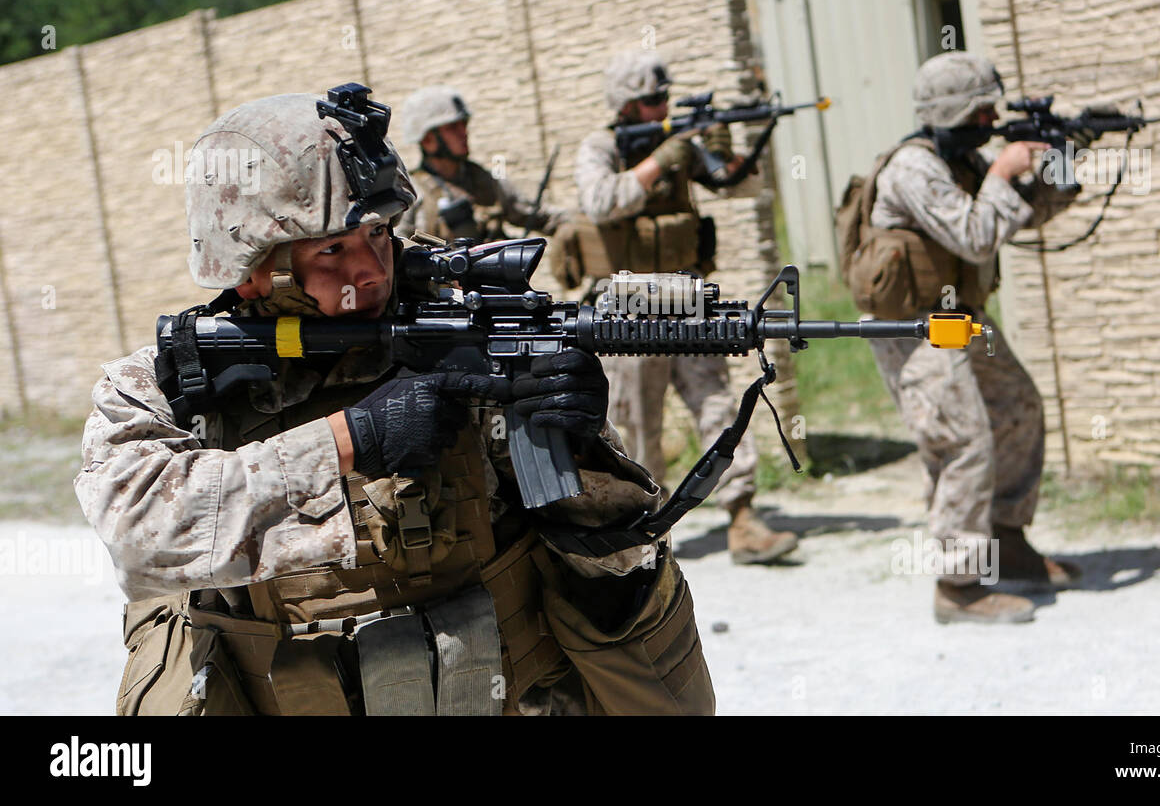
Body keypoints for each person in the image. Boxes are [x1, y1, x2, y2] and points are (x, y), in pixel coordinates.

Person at [74, 91, 714, 715]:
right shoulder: (167, 382)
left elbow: (609, 566)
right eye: (332, 249)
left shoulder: (460, 326)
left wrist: (577, 442)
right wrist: (351, 438)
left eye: (378, 234)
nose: (372, 268)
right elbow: (138, 535)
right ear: (249, 266)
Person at [839, 51, 1085, 624]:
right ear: (953, 113)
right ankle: (959, 587)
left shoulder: (964, 160)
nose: (991, 120)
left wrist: (1061, 166)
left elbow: (1014, 219)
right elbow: (976, 237)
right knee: (962, 438)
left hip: (958, 316)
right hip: (910, 325)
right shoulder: (914, 168)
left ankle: (1008, 540)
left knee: (1017, 407)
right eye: (982, 111)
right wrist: (1003, 171)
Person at [570, 50, 798, 565]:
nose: (662, 106)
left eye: (665, 98)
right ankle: (643, 531)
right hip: (628, 300)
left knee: (715, 399)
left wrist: (726, 150)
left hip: (687, 294)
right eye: (653, 100)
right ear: (626, 106)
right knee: (634, 420)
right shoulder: (600, 147)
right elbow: (601, 201)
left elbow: (744, 187)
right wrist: (661, 162)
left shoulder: (678, 145)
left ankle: (742, 514)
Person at [395, 85, 567, 242]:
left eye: (464, 124)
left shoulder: (486, 181)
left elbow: (538, 215)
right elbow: (395, 252)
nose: (464, 132)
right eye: (453, 127)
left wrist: (574, 225)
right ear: (427, 139)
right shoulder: (411, 194)